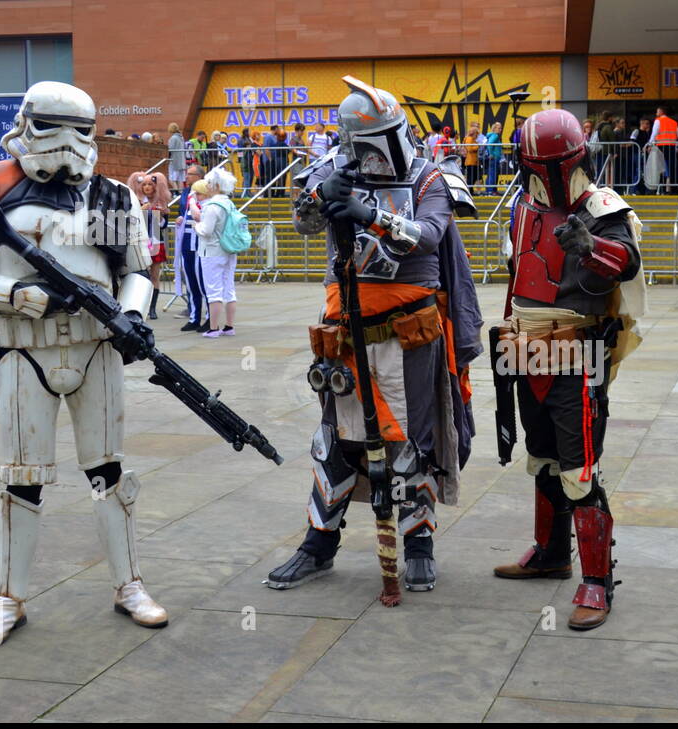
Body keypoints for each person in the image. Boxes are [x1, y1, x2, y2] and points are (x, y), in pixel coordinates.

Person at [0, 80, 167, 649]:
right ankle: (9, 597)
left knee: (108, 472)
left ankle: (129, 583)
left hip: (97, 346)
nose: (68, 143)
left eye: (81, 130)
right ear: (26, 125)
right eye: (53, 127)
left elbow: (135, 272)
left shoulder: (112, 197)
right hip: (22, 347)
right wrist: (20, 295)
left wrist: (131, 315)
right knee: (21, 478)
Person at [267, 76, 483, 603]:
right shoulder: (333, 168)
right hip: (345, 331)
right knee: (334, 443)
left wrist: (371, 215)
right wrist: (320, 196)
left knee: (414, 444)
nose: (368, 152)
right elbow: (302, 222)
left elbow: (428, 235)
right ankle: (319, 544)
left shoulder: (433, 176)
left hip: (410, 335)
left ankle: (418, 547)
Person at [491, 108, 645, 632]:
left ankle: (597, 580)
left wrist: (593, 246)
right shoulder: (521, 206)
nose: (547, 177)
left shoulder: (603, 208)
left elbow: (626, 261)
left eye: (553, 166)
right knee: (541, 459)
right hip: (526, 349)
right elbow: (518, 275)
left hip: (578, 353)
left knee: (579, 470)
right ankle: (551, 551)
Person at [192, 167, 241, 337]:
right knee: (229, 289)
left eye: (210, 184)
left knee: (213, 290)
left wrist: (195, 225)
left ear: (217, 186)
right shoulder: (229, 203)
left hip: (212, 251)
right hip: (229, 248)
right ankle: (229, 326)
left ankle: (213, 328)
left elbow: (206, 230)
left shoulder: (212, 206)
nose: (208, 187)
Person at [127, 171, 172, 320]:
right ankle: (139, 307)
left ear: (156, 187)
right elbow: (129, 221)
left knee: (154, 276)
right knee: (139, 275)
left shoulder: (161, 204)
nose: (146, 187)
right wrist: (141, 211)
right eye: (144, 184)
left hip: (155, 242)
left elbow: (164, 225)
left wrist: (159, 213)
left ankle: (152, 309)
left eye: (150, 184)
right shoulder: (135, 202)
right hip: (139, 242)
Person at [174, 163, 209, 332]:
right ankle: (194, 316)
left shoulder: (206, 193)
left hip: (200, 240)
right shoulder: (187, 192)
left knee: (202, 281)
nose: (186, 176)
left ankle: (210, 317)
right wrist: (180, 217)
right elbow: (183, 210)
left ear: (199, 176)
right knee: (190, 279)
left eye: (190, 174)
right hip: (187, 239)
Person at [649, 105, 678, 190]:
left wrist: (649, 144)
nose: (656, 113)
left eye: (657, 111)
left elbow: (654, 133)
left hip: (661, 147)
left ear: (661, 112)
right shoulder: (673, 122)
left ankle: (662, 188)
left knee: (661, 167)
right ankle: (670, 188)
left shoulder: (658, 121)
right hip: (671, 146)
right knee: (670, 167)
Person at [484, 121, 504, 192]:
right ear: (494, 128)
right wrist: (491, 154)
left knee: (491, 174)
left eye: (501, 128)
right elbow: (489, 144)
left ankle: (492, 190)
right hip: (494, 158)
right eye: (499, 128)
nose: (500, 130)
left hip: (495, 158)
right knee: (493, 174)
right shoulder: (495, 136)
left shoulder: (493, 135)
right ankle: (491, 190)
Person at [167, 123, 187, 191]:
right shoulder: (181, 137)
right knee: (180, 179)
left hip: (174, 160)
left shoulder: (173, 138)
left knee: (172, 179)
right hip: (182, 161)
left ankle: (176, 192)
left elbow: (170, 149)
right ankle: (181, 193)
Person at [462, 122, 482, 187]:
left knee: (474, 176)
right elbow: (470, 148)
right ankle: (469, 190)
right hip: (470, 161)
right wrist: (477, 146)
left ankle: (471, 189)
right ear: (474, 133)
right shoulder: (469, 139)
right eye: (477, 134)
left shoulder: (472, 139)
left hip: (473, 161)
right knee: (471, 177)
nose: (477, 136)